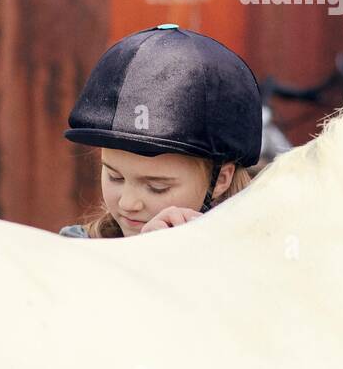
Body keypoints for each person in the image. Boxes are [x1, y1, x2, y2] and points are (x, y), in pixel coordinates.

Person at [58, 23, 263, 238]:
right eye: (114, 176)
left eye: (157, 187)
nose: (128, 203)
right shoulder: (77, 247)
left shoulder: (266, 259)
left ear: (221, 180)